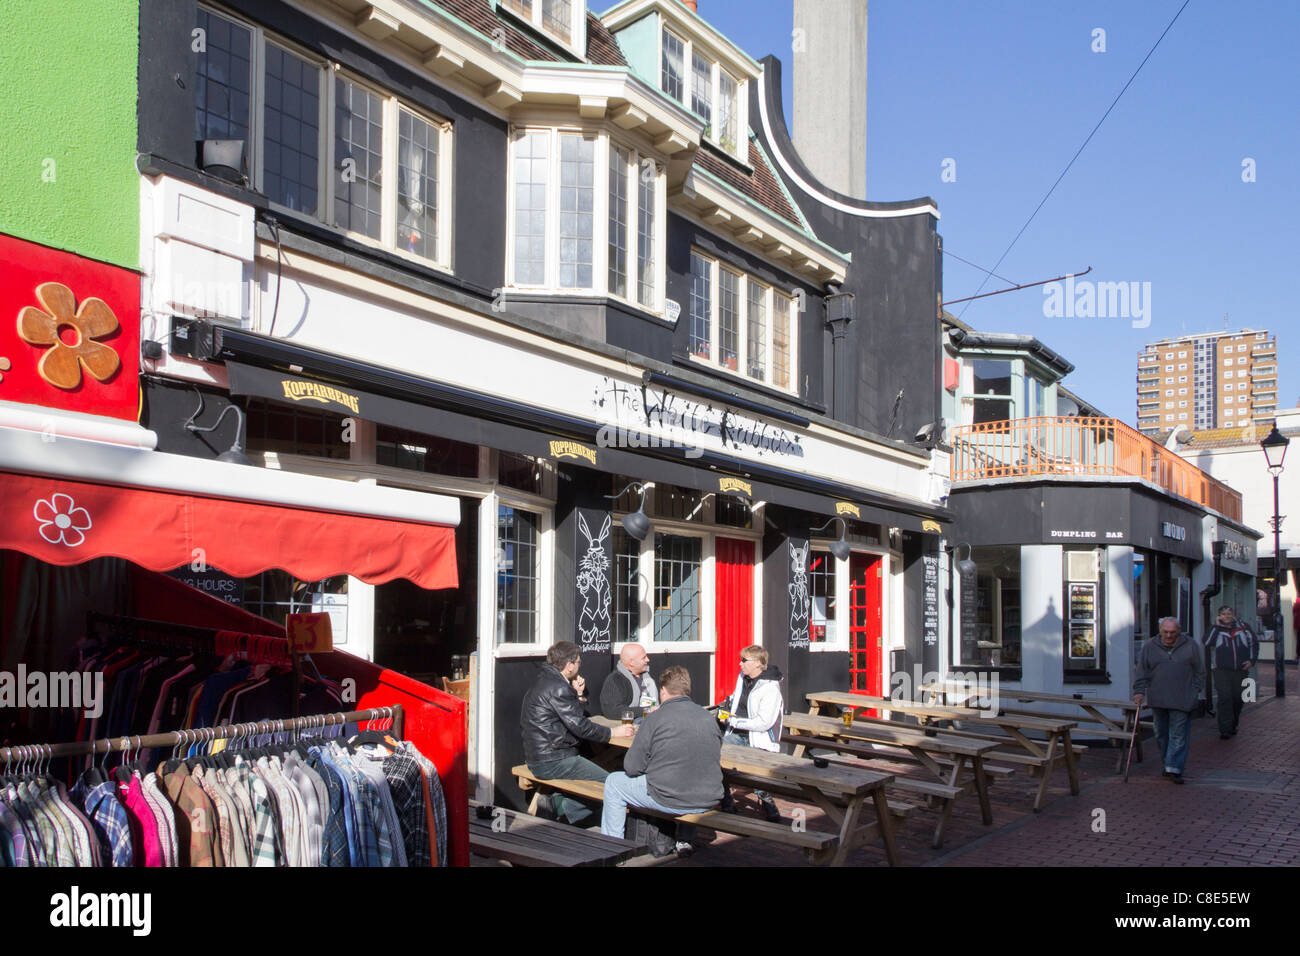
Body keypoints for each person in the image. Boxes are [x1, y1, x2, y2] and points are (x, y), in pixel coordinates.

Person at [600, 666, 723, 844]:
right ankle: (684, 841)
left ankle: (612, 848)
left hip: (670, 796)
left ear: (663, 691)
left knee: (613, 782)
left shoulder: (654, 718)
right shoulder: (708, 718)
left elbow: (632, 767)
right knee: (689, 773)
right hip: (709, 796)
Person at [520, 641, 633, 825]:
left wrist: (578, 696)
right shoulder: (558, 687)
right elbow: (580, 727)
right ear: (569, 665)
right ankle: (556, 806)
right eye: (578, 662)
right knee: (611, 784)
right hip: (553, 760)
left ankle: (552, 804)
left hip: (539, 756)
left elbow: (566, 718)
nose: (580, 665)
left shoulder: (546, 682)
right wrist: (613, 732)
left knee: (601, 773)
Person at [1133, 616, 1205, 784]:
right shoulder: (1149, 646)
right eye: (1165, 632)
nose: (1169, 636)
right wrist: (1139, 691)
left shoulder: (1191, 645)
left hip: (1182, 698)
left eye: (1172, 632)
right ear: (1160, 631)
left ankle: (1174, 768)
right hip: (1158, 698)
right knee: (1161, 734)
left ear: (1179, 631)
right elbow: (1141, 671)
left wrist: (1194, 691)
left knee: (1178, 734)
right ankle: (1168, 763)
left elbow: (1200, 671)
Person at [720, 645, 784, 821]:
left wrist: (734, 721)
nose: (740, 664)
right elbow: (736, 698)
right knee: (716, 756)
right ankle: (726, 800)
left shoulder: (771, 688)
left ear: (757, 664)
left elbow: (764, 723)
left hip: (759, 740)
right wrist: (723, 708)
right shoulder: (743, 677)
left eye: (744, 660)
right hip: (736, 734)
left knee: (756, 774)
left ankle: (768, 803)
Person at [1203, 605, 1258, 739]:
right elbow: (1207, 642)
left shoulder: (1243, 627)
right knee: (1225, 697)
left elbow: (1253, 643)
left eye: (1229, 614)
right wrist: (1216, 626)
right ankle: (1225, 729)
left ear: (1233, 615)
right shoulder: (1215, 629)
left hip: (1240, 669)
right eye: (1223, 614)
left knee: (1238, 697)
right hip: (1221, 670)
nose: (1226, 616)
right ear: (1219, 616)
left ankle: (1233, 724)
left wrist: (1251, 660)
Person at [599, 643, 658, 720]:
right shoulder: (615, 680)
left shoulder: (648, 678)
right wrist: (645, 710)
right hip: (632, 723)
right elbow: (612, 711)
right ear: (631, 662)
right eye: (643, 658)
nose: (648, 660)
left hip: (652, 719)